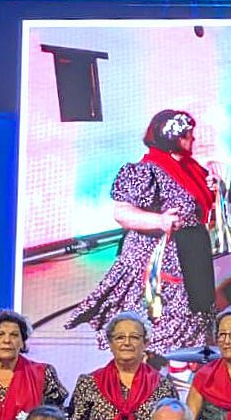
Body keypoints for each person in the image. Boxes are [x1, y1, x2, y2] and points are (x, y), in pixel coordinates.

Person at [64, 109, 218, 387]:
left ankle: (184, 358)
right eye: (187, 135)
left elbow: (198, 207)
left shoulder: (189, 167)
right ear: (171, 138)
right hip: (161, 254)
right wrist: (159, 221)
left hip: (191, 247)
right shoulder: (146, 170)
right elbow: (122, 212)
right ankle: (174, 367)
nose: (193, 139)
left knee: (195, 306)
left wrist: (213, 186)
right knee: (170, 309)